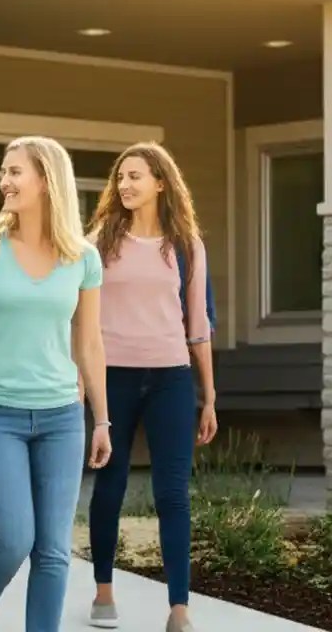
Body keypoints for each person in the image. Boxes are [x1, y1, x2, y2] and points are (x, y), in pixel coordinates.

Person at [0, 136, 113, 632]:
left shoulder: (83, 256)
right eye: (4, 171)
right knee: (13, 538)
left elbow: (91, 344)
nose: (4, 181)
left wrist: (101, 419)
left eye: (15, 172)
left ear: (46, 179)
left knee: (54, 550)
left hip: (62, 416)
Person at [84, 143, 219, 632]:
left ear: (161, 182)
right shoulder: (99, 240)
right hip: (112, 377)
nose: (125, 185)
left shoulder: (186, 244)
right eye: (121, 177)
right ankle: (103, 592)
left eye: (136, 176)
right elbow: (82, 318)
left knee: (173, 494)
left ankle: (179, 608)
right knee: (111, 483)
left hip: (171, 378)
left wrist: (210, 396)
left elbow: (198, 324)